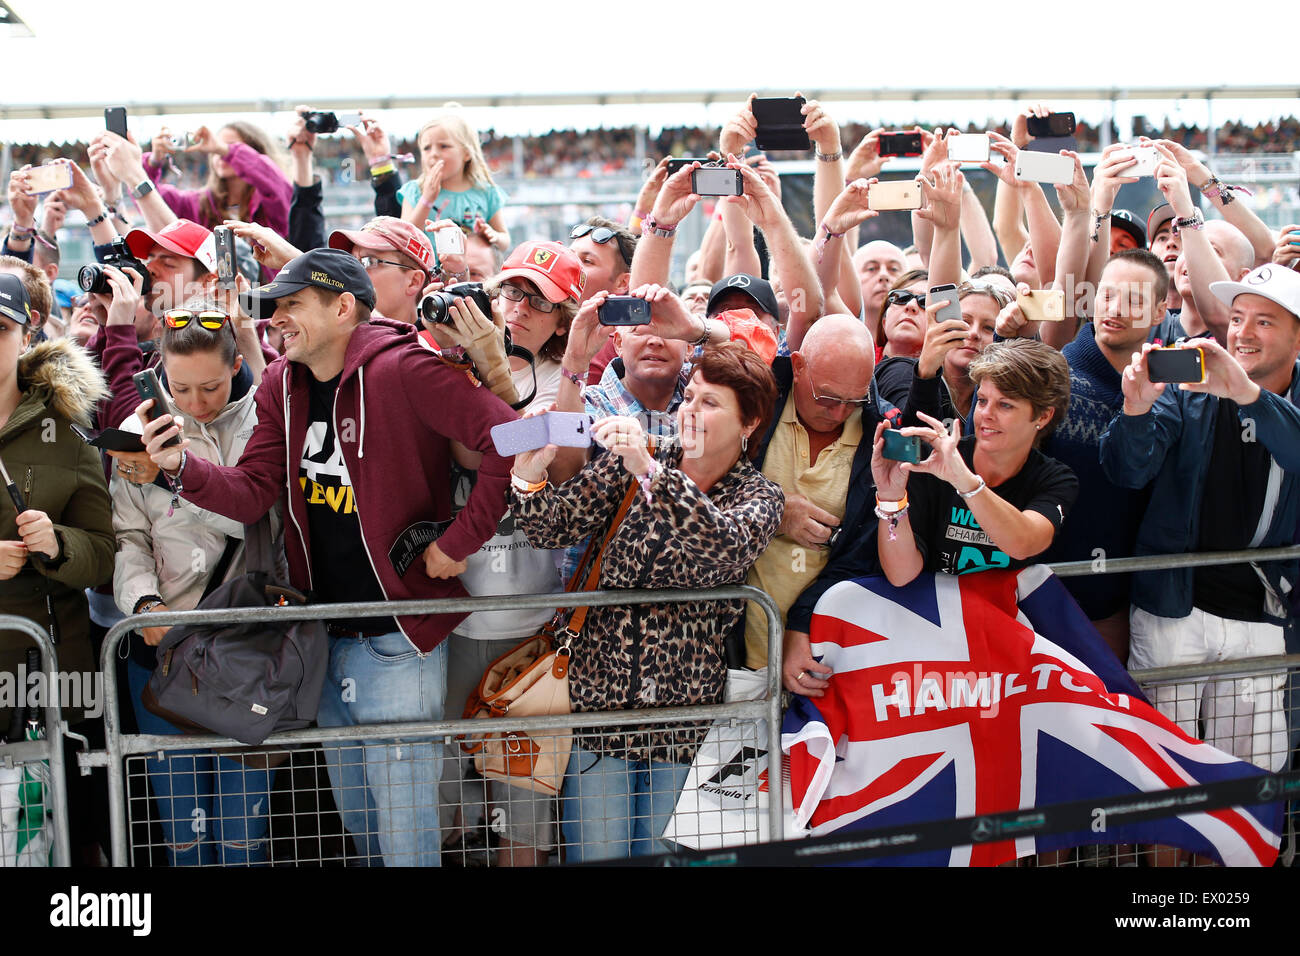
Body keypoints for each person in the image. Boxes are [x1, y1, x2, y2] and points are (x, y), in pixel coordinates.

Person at [139, 248, 517, 866]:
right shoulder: (279, 383)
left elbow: (514, 434)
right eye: (273, 309)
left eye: (291, 305)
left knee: (406, 848)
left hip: (396, 639)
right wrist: (181, 466)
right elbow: (254, 490)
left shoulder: (405, 368)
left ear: (343, 307)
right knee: (367, 840)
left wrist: (461, 541)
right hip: (323, 635)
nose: (277, 320)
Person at [509, 342, 783, 862]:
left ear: (750, 424)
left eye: (710, 403)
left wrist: (648, 469)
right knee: (597, 855)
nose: (691, 411)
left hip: (682, 721)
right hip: (601, 705)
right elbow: (553, 526)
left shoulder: (759, 495)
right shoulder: (638, 458)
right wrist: (529, 470)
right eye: (691, 397)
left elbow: (720, 545)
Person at [1099, 264, 1300, 773]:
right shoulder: (1189, 381)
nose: (1243, 333)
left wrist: (1249, 395)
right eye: (1237, 318)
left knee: (1253, 778)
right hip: (1172, 607)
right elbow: (1126, 471)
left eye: (1265, 321)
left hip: (1263, 611)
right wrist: (1137, 410)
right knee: (1162, 773)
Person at [114, 295, 272, 866]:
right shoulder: (138, 430)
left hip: (246, 647)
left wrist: (177, 474)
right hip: (163, 645)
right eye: (180, 389)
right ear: (159, 372)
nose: (196, 403)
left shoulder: (264, 420)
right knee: (181, 826)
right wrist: (144, 604)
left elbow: (256, 513)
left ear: (236, 366)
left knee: (241, 830)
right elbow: (128, 536)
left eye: (210, 387)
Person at [0, 272, 115, 738]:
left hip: (44, 677)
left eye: (0, 329)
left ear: (27, 333)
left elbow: (104, 554)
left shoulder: (66, 425)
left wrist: (59, 544)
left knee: (48, 810)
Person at [873, 339, 1077, 583]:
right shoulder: (936, 461)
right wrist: (891, 499)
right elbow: (900, 575)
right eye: (982, 401)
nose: (986, 414)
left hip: (1000, 614)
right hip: (931, 613)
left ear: (1043, 416)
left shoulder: (1055, 479)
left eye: (1005, 405)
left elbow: (1023, 544)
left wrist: (964, 481)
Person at [136, 121, 293, 237]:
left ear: (255, 152)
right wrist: (153, 162)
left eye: (230, 146)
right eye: (215, 148)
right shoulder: (196, 204)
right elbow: (148, 200)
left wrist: (226, 150)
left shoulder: (271, 202)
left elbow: (277, 185)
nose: (218, 152)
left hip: (268, 283)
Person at [398, 109, 510, 252]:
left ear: (466, 153)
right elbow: (404, 240)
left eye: (444, 146)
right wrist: (427, 199)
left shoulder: (486, 192)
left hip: (474, 272)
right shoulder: (414, 191)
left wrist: (494, 236)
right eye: (426, 148)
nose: (434, 154)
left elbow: (505, 240)